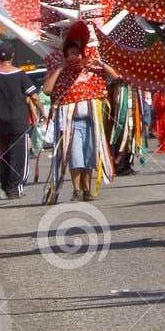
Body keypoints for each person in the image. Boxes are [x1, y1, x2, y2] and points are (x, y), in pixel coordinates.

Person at [42, 23, 112, 203]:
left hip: (91, 121)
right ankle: (76, 190)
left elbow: (116, 77)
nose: (75, 56)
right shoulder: (61, 73)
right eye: (71, 53)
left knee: (89, 155)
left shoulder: (92, 70)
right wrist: (61, 67)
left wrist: (100, 63)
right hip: (71, 123)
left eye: (77, 53)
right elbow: (47, 90)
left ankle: (87, 189)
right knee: (75, 157)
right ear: (65, 55)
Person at [0, 41, 43, 199]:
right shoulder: (20, 75)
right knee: (19, 156)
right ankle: (15, 188)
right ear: (12, 56)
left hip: (0, 123)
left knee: (5, 155)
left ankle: (7, 186)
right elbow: (34, 96)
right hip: (19, 122)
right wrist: (43, 112)